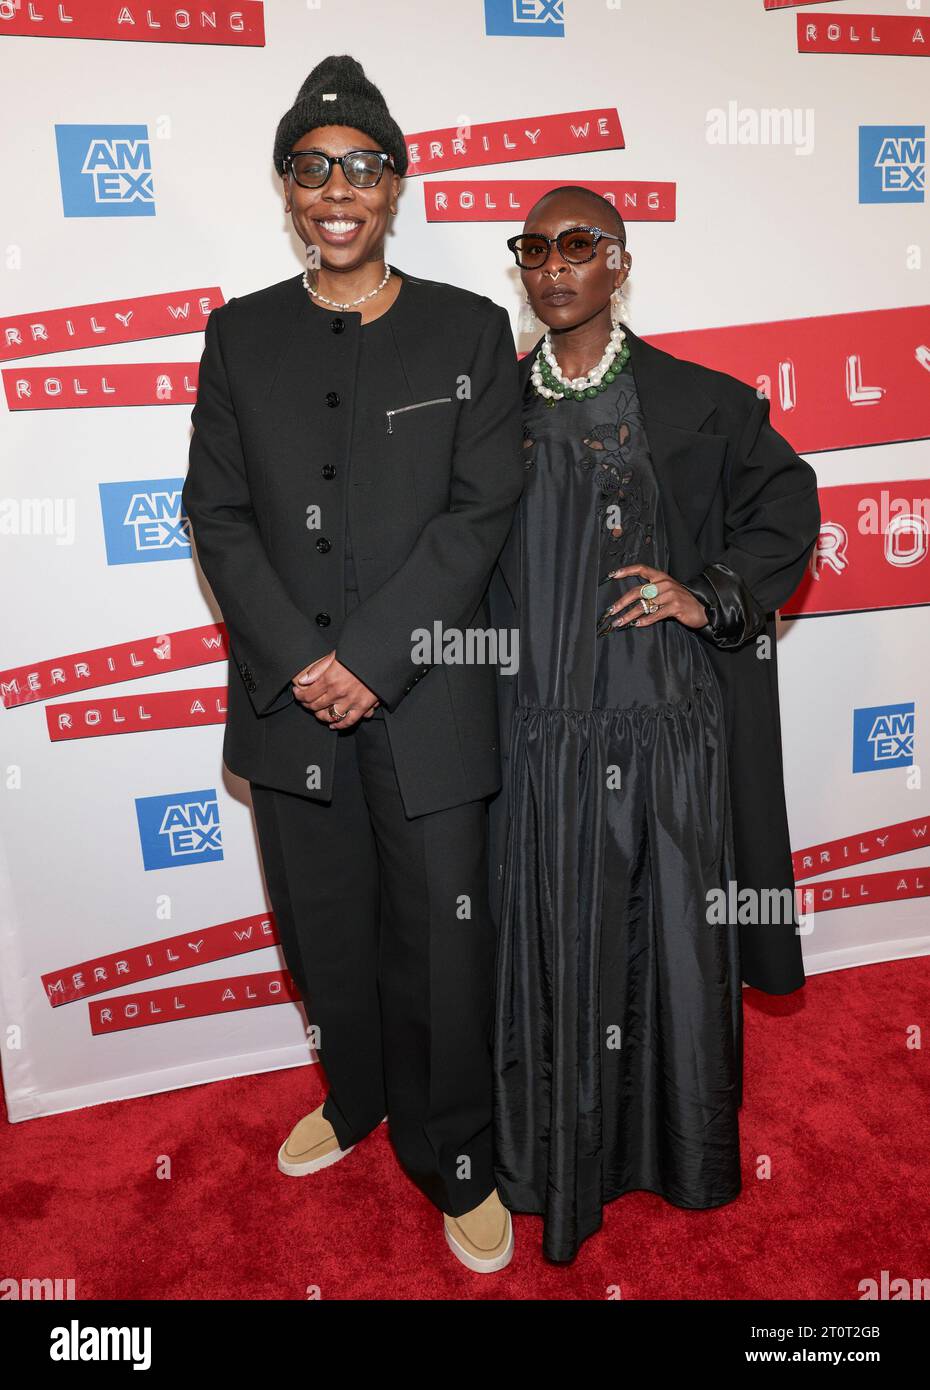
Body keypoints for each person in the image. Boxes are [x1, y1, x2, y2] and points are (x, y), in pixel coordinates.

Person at [182, 55, 525, 1273]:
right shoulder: (239, 338)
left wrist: (372, 659)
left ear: (396, 183)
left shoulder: (473, 332)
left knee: (446, 938)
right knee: (323, 933)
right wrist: (303, 661)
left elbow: (479, 515)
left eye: (362, 166)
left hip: (431, 703)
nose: (339, 189)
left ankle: (460, 1152)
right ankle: (356, 1094)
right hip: (289, 711)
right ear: (290, 188)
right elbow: (216, 516)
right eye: (314, 168)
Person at [488, 185, 821, 1263]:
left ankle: (680, 1156)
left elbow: (790, 504)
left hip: (669, 733)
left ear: (621, 264)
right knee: (559, 955)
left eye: (578, 245)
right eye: (533, 249)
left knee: (674, 951)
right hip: (542, 740)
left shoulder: (701, 402)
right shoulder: (489, 413)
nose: (553, 266)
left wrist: (710, 589)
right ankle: (562, 1163)